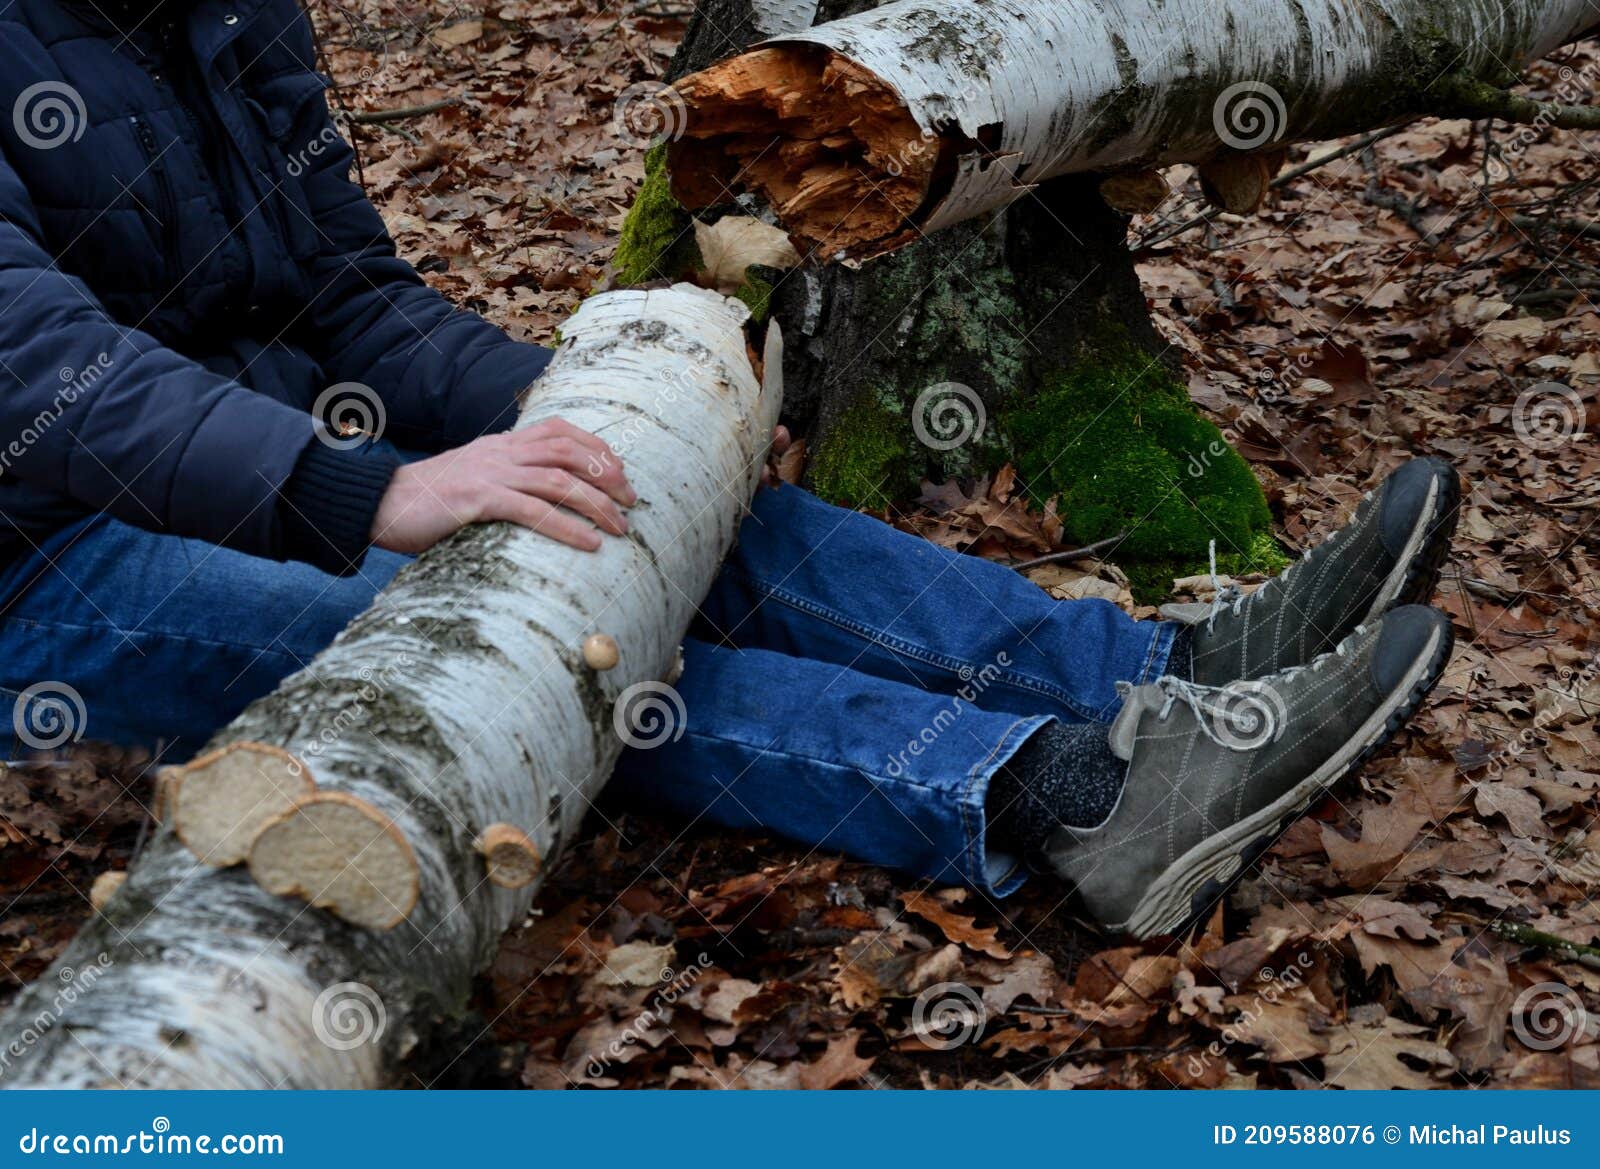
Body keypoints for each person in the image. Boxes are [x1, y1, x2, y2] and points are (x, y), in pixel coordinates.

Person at [0, 0, 1460, 939]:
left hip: (269, 430)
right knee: (509, 645)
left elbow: (345, 296)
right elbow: (30, 361)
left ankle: (1164, 664)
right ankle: (1068, 797)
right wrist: (360, 495)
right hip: (43, 555)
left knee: (615, 501)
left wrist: (628, 427)